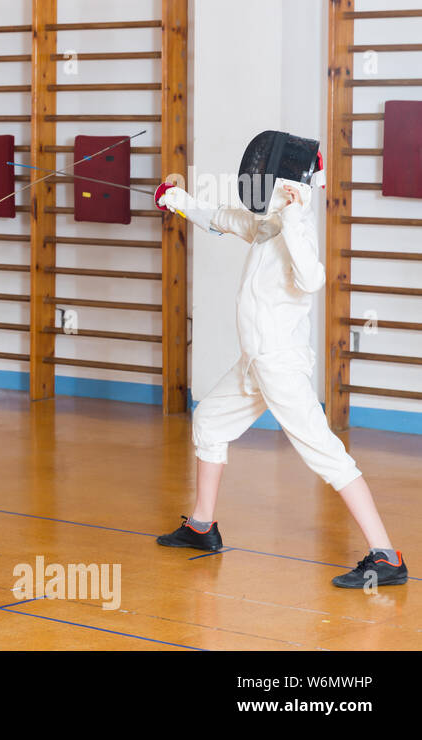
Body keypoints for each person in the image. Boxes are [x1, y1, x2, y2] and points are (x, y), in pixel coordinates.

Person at [154, 130, 406, 589]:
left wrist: (294, 217)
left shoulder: (296, 230)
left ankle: (386, 556)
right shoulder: (267, 226)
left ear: (291, 187)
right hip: (255, 364)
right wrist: (179, 199)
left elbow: (312, 277)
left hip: (281, 368)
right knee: (209, 422)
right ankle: (201, 526)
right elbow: (226, 217)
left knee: (327, 455)